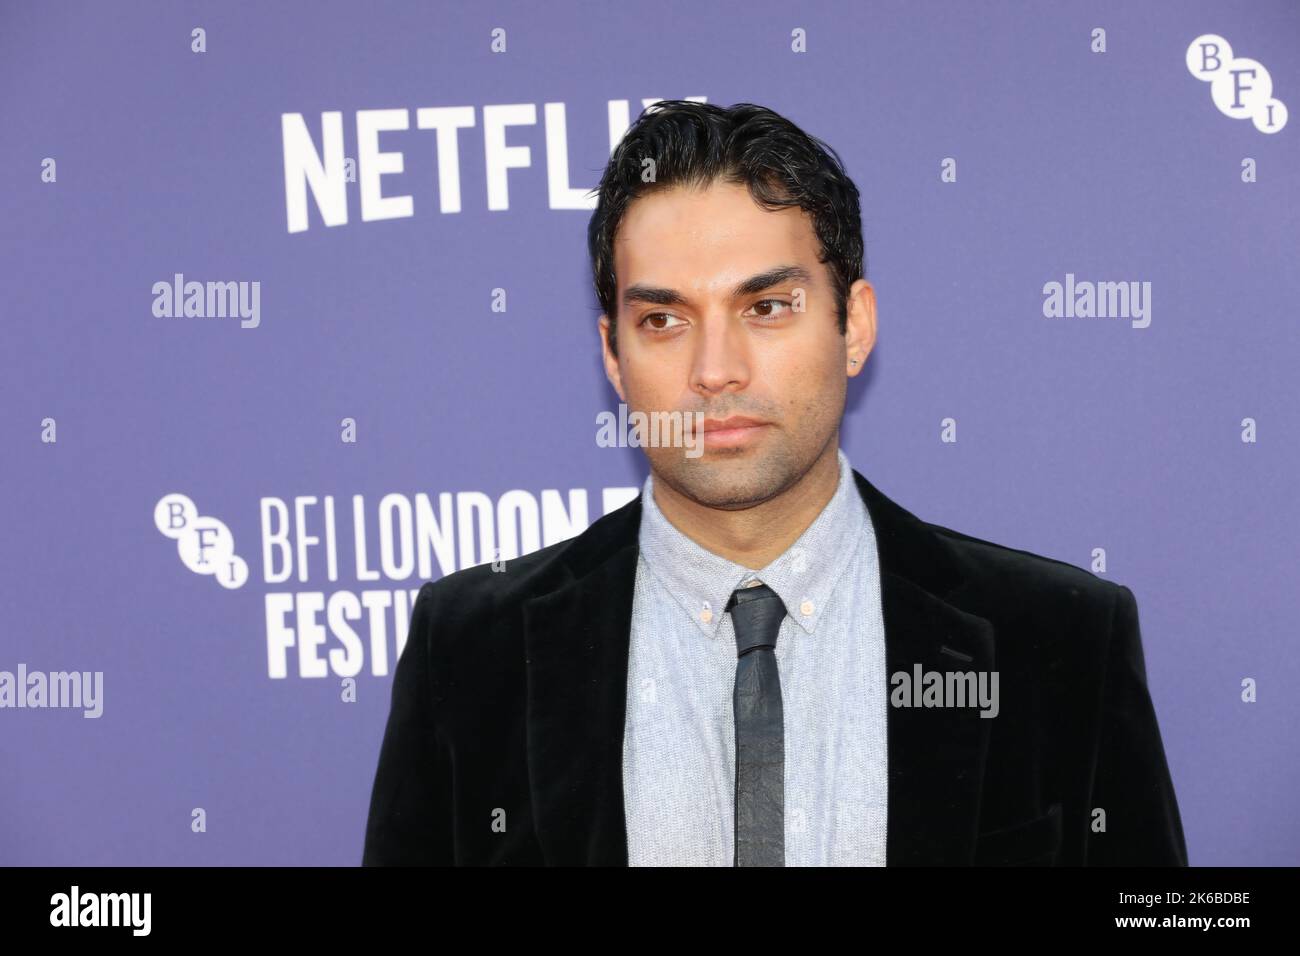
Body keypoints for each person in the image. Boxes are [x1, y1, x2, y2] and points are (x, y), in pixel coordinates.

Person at [362, 100, 1188, 866]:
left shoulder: (1060, 642)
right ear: (614, 355)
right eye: (663, 321)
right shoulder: (472, 653)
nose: (715, 370)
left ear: (853, 326)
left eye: (766, 308)